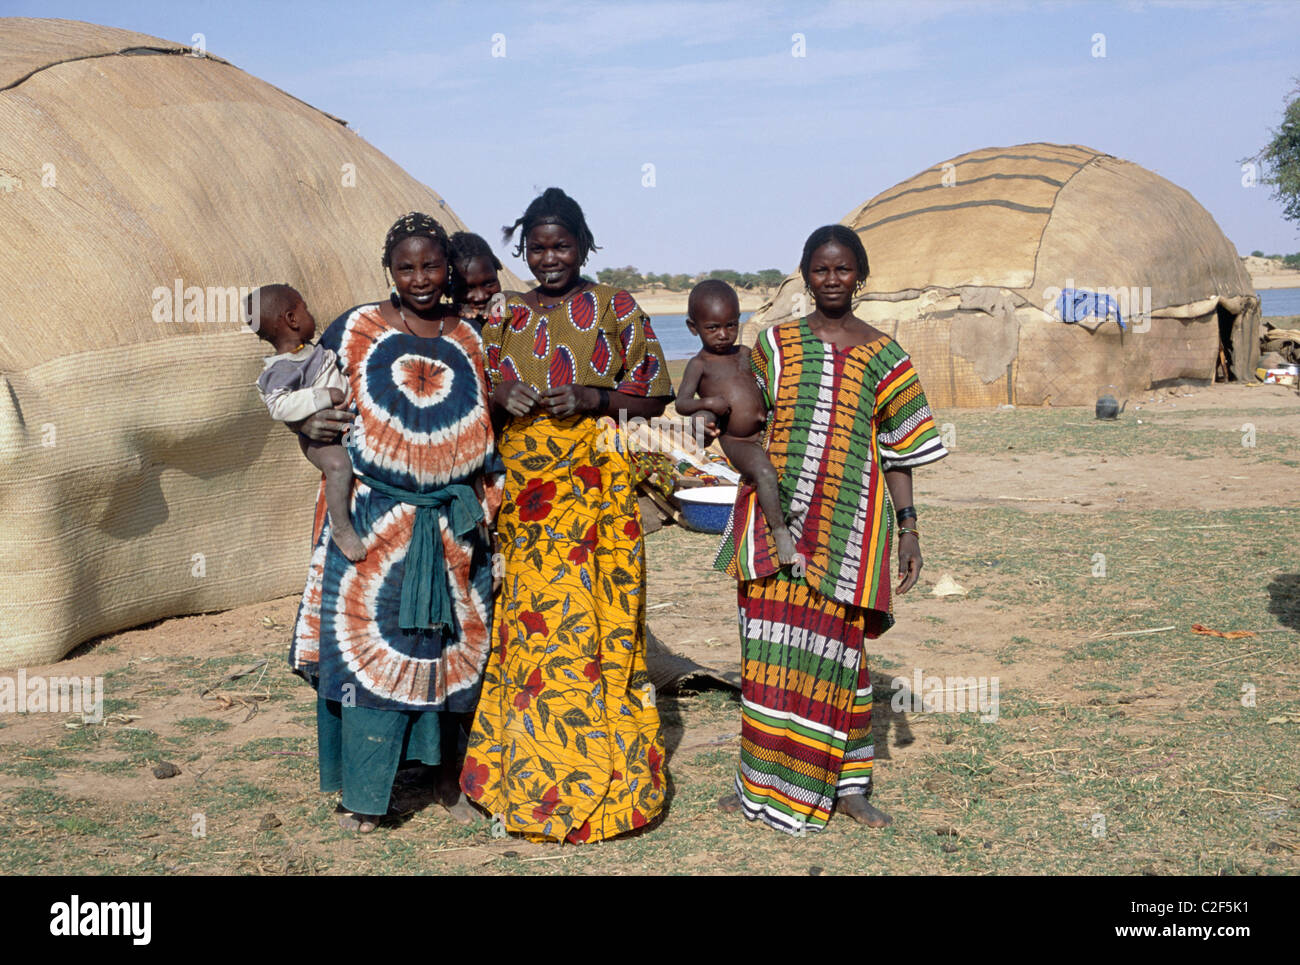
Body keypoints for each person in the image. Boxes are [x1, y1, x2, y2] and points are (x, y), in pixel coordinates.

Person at [714, 224, 948, 834]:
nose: (831, 279)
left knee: (838, 656)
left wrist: (909, 528)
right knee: (767, 653)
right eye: (820, 269)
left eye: (843, 269)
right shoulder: (776, 345)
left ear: (860, 277)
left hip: (848, 533)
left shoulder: (887, 357)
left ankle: (847, 787)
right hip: (774, 523)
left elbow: (897, 454)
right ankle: (758, 782)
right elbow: (741, 420)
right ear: (805, 276)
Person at [461, 187, 672, 842]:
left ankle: (611, 773)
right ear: (522, 249)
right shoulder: (501, 313)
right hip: (527, 495)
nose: (549, 257)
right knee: (534, 623)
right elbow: (470, 394)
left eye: (562, 244)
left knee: (603, 618)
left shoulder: (615, 307)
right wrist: (499, 392)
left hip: (598, 493)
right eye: (538, 246)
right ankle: (528, 772)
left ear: (584, 244)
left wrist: (591, 395)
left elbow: (655, 394)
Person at [289, 212, 502, 832]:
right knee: (368, 659)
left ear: (449, 269)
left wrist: (482, 508)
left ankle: (446, 781)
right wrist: (311, 435)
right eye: (406, 267)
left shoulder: (468, 338)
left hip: (451, 527)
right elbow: (296, 398)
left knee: (451, 657)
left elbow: (484, 431)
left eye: (431, 265)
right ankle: (365, 795)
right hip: (373, 522)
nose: (420, 279)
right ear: (389, 269)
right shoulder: (356, 329)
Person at [675, 279, 797, 564]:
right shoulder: (699, 364)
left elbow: (763, 383)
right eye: (712, 328)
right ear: (693, 328)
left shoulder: (744, 353)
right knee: (765, 474)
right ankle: (780, 532)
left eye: (731, 325)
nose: (723, 334)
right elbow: (681, 403)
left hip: (766, 430)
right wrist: (707, 403)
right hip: (738, 440)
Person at [249, 284, 365, 562]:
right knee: (339, 466)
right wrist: (321, 396)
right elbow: (278, 405)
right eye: (306, 309)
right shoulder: (281, 368)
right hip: (319, 439)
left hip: (343, 427)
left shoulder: (308, 352)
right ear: (292, 319)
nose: (311, 314)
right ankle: (341, 527)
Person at [448, 231, 506, 333]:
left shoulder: (517, 316)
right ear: (448, 290)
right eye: (467, 289)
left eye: (489, 283)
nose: (481, 297)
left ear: (496, 273)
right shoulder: (442, 328)